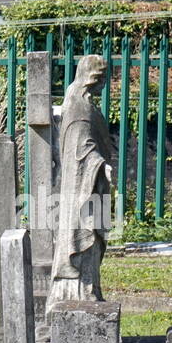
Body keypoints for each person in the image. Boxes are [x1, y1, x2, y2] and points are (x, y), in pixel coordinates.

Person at [50, 54, 115, 303]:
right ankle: (80, 294)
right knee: (83, 236)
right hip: (82, 184)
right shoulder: (78, 104)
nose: (104, 82)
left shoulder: (83, 101)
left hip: (90, 181)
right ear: (92, 77)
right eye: (102, 76)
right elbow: (81, 146)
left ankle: (89, 290)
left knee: (92, 243)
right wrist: (99, 165)